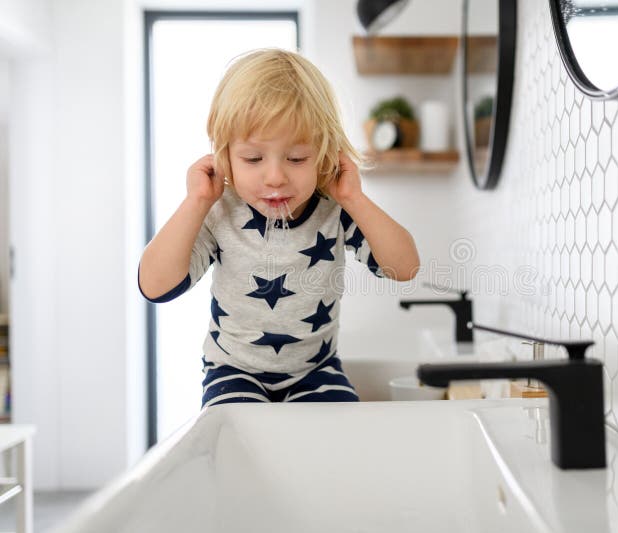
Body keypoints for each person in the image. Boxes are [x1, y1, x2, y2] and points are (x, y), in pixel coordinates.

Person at [138, 48, 420, 407]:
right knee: (238, 432)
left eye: (297, 158)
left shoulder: (335, 211)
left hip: (316, 371)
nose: (275, 176)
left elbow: (404, 268)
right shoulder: (218, 211)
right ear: (224, 157)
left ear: (324, 155)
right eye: (253, 158)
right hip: (233, 371)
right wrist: (195, 201)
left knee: (345, 433)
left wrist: (354, 198)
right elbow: (155, 286)